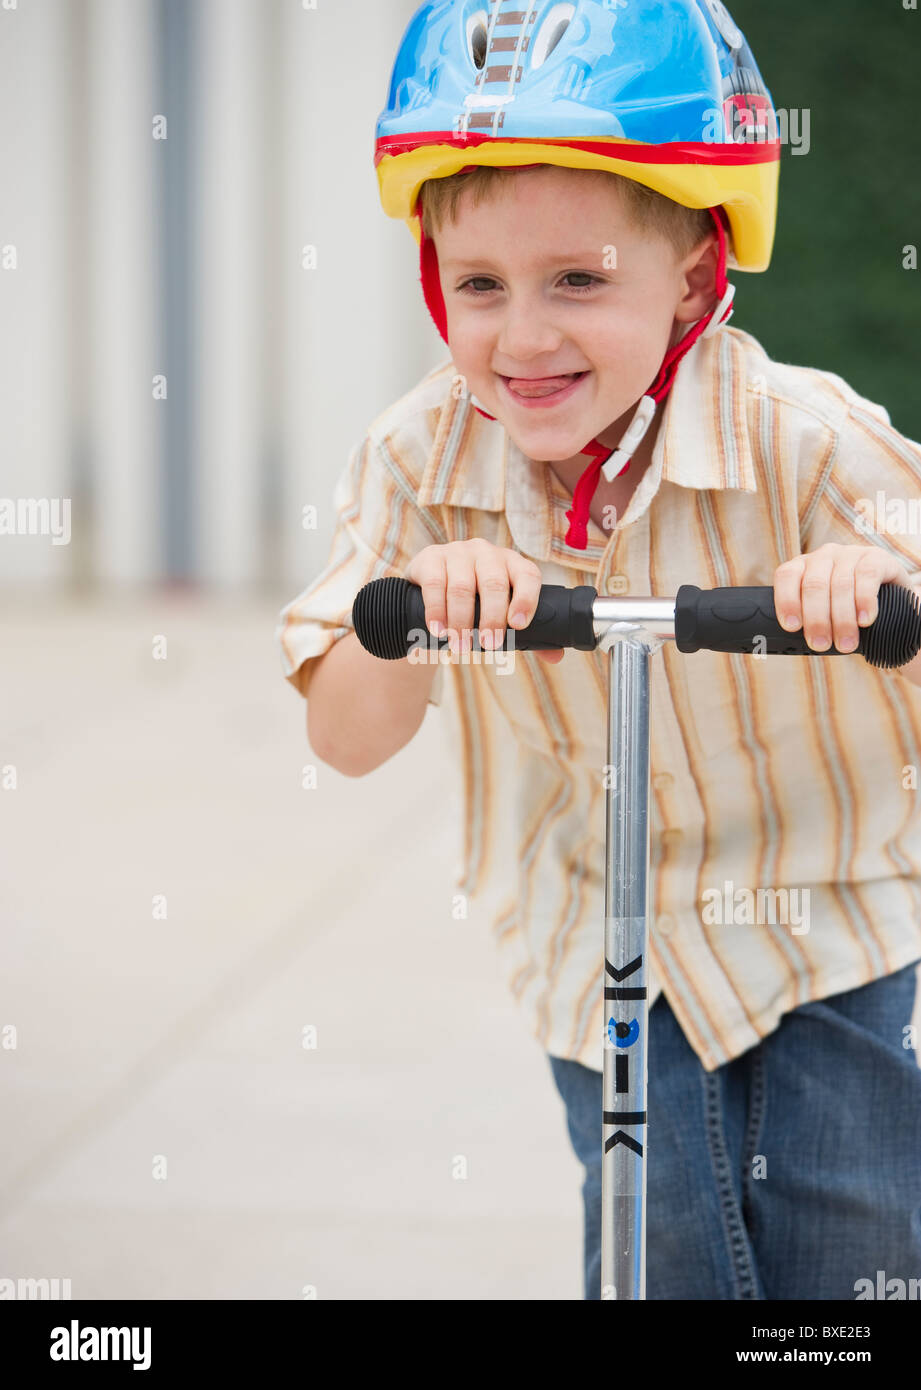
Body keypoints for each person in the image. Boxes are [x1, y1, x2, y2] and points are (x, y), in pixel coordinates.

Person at [276, 0, 921, 1300]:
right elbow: (343, 737)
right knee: (657, 1241)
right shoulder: (421, 460)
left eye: (577, 280)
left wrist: (873, 590)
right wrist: (410, 606)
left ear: (689, 275)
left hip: (816, 916)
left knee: (845, 1245)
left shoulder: (803, 442)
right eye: (479, 286)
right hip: (596, 935)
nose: (522, 336)